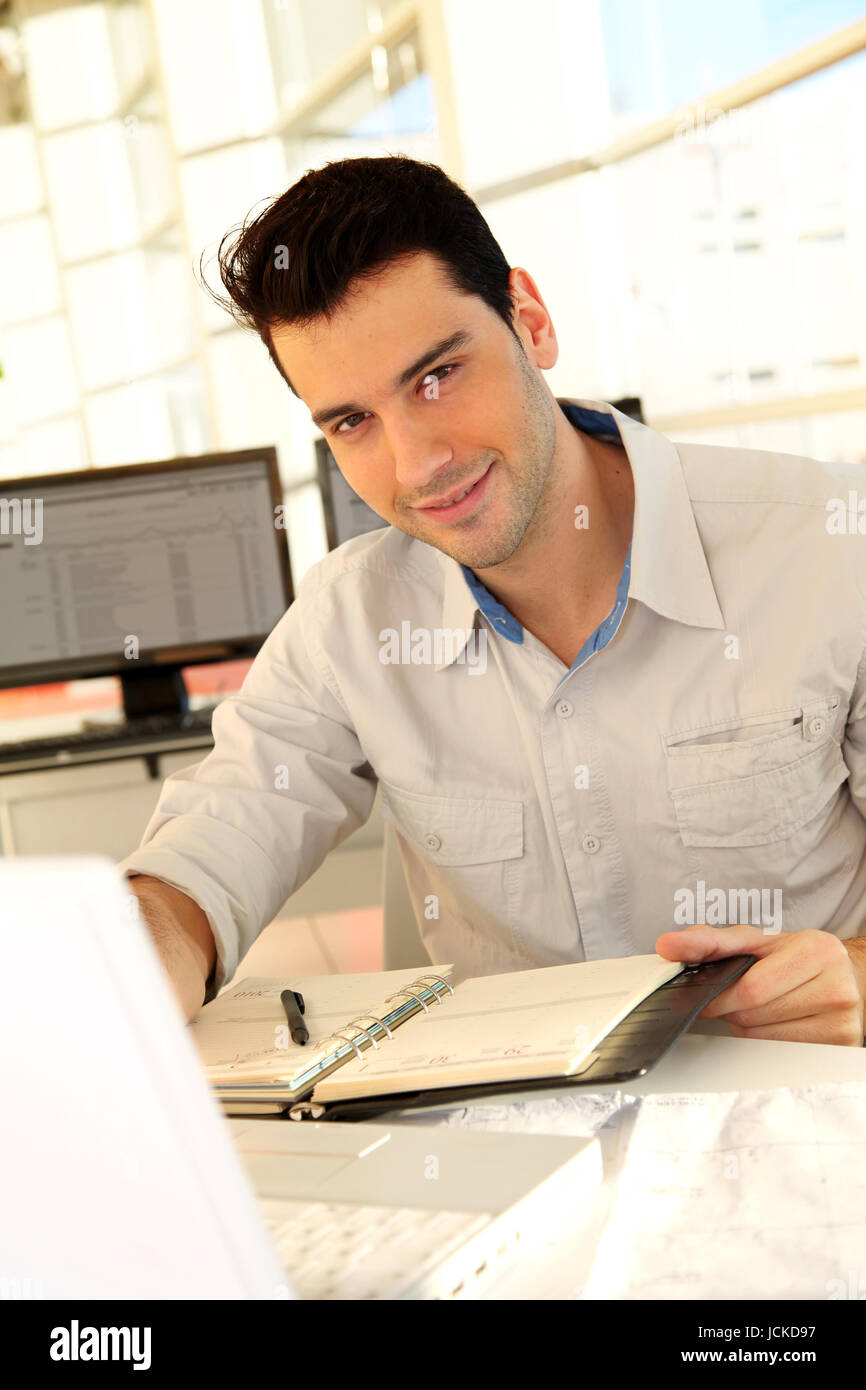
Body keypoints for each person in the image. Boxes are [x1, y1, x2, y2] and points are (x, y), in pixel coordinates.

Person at [120, 155, 866, 1045]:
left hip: (804, 1131)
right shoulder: (350, 625)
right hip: (517, 1161)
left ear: (531, 321)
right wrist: (146, 949)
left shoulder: (828, 547)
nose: (416, 463)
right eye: (352, 421)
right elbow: (212, 847)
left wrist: (853, 976)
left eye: (437, 376)